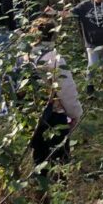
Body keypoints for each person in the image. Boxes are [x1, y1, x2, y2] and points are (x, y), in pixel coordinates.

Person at [20, 18, 83, 174]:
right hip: (54, 115)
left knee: (39, 155)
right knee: (58, 157)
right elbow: (66, 90)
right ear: (54, 34)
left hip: (31, 113)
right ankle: (57, 184)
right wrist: (75, 113)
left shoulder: (24, 56)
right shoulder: (54, 59)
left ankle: (40, 183)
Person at [51, 0, 103, 94]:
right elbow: (69, 14)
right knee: (92, 67)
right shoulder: (84, 6)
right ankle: (90, 88)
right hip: (92, 43)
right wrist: (55, 12)